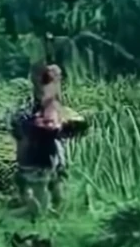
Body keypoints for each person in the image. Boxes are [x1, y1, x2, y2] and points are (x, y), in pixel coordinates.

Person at [10, 63, 89, 216]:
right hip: (35, 158)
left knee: (58, 193)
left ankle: (53, 215)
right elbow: (19, 126)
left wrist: (62, 126)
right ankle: (11, 216)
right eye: (50, 80)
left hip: (52, 156)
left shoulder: (54, 103)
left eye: (57, 80)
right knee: (39, 206)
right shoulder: (28, 105)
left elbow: (70, 125)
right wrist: (40, 125)